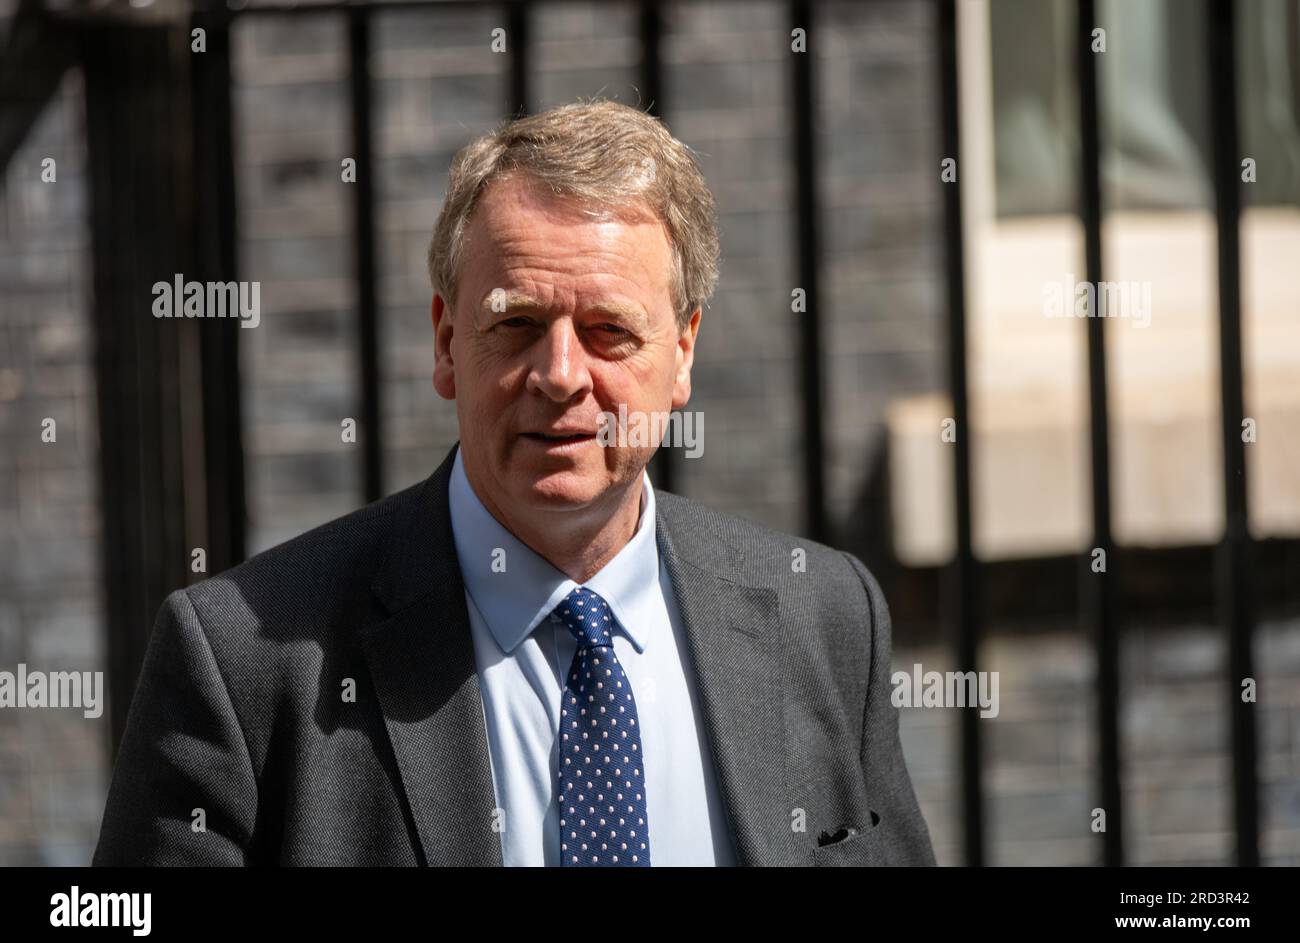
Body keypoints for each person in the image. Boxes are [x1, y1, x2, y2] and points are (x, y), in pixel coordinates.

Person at [92, 99, 935, 867]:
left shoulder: (824, 616)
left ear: (682, 352)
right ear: (446, 339)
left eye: (609, 331)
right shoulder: (244, 661)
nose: (561, 375)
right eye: (518, 324)